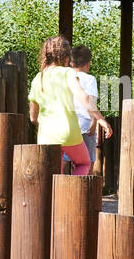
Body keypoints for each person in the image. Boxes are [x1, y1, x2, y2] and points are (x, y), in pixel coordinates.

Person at [28, 36, 112, 175]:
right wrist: (101, 119)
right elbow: (84, 97)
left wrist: (40, 123)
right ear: (66, 56)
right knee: (84, 163)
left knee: (55, 173)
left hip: (46, 136)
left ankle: (57, 195)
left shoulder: (38, 78)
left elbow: (33, 117)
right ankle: (70, 193)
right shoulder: (68, 73)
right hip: (68, 133)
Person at [71, 44, 100, 169]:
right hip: (85, 124)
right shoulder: (90, 79)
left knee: (68, 160)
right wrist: (94, 123)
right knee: (88, 161)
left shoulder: (67, 78)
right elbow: (91, 101)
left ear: (71, 64)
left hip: (70, 123)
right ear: (88, 64)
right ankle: (86, 187)